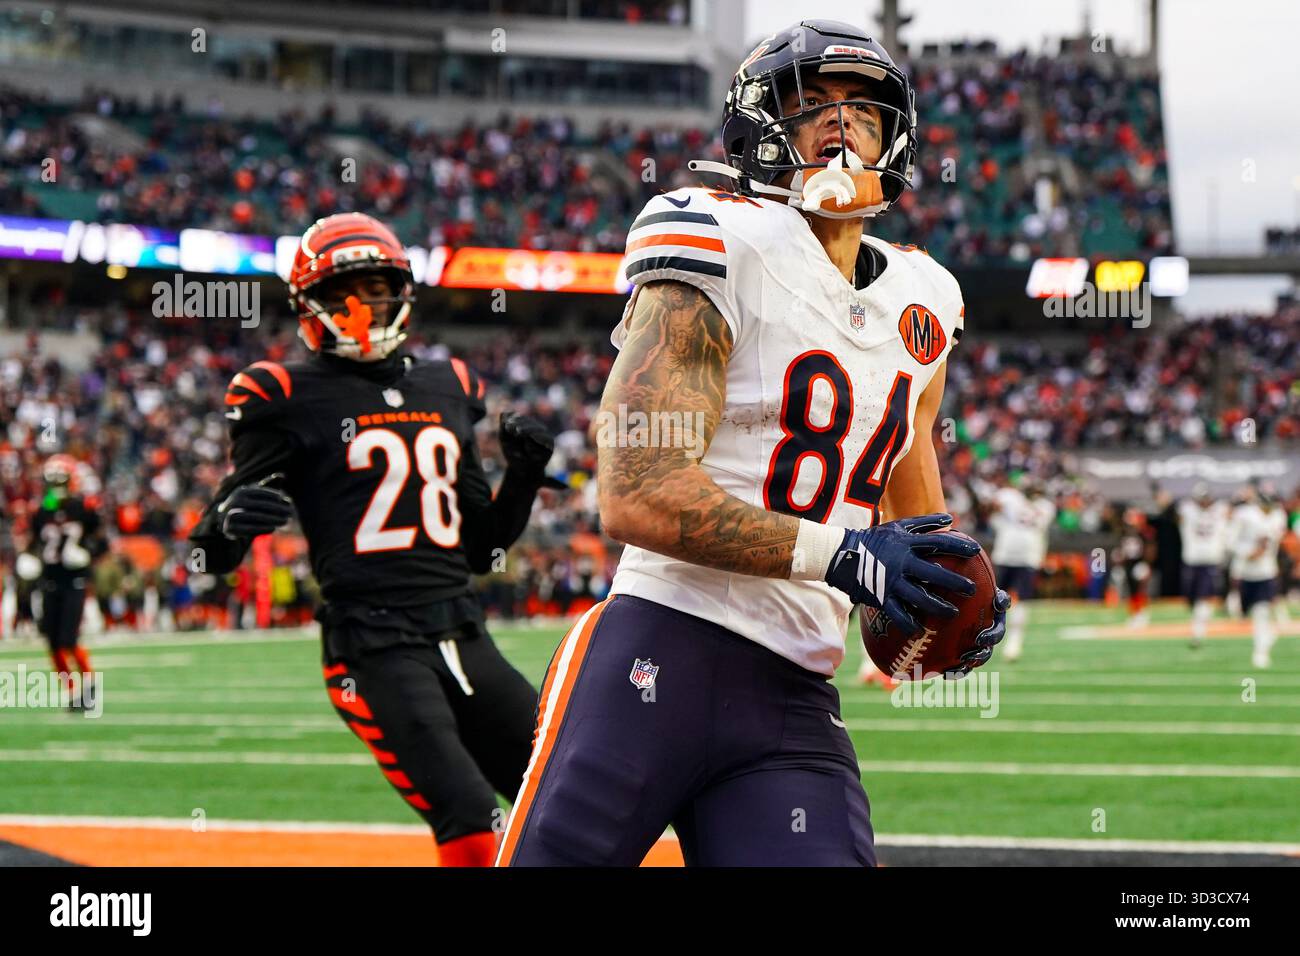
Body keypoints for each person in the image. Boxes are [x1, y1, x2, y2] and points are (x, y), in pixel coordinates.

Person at [496, 21, 1007, 867]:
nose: (840, 124)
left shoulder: (926, 300)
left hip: (793, 690)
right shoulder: (714, 238)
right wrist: (845, 555)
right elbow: (637, 490)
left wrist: (948, 604)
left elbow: (917, 527)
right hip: (659, 643)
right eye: (810, 105)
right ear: (758, 132)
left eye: (864, 111)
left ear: (897, 138)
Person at [190, 212, 560, 866]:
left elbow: (483, 548)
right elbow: (210, 552)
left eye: (376, 290)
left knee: (563, 796)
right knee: (471, 817)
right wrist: (221, 528)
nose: (361, 307)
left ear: (403, 294)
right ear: (310, 305)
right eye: (342, 294)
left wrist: (524, 476)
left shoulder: (448, 386)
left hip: (465, 632)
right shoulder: (282, 393)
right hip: (374, 643)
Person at [19, 455, 105, 709]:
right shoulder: (42, 511)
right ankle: (71, 691)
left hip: (74, 581)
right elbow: (35, 542)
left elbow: (101, 541)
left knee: (69, 639)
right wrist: (29, 557)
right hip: (49, 582)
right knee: (52, 642)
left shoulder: (82, 509)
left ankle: (89, 684)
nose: (56, 486)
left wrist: (87, 553)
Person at [990, 477, 1055, 662]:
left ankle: (1014, 642)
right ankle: (990, 638)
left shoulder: (1015, 499)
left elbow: (993, 506)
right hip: (1010, 554)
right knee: (993, 599)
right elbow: (991, 507)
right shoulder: (1013, 498)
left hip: (1024, 556)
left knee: (1020, 600)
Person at [1177, 482, 1228, 649]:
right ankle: (1201, 623)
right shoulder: (1188, 510)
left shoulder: (1220, 510)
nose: (1205, 501)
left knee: (1203, 597)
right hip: (1192, 560)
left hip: (1210, 560)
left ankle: (1198, 633)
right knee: (1190, 599)